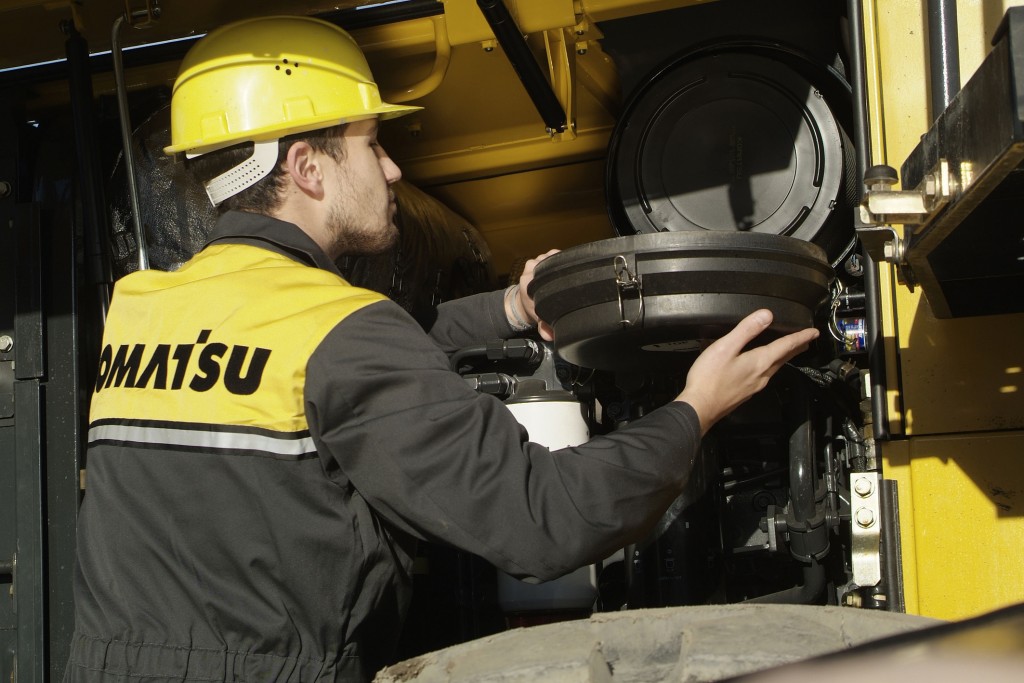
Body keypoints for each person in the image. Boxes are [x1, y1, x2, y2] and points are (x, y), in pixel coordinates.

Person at [64, 15, 820, 683]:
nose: (393, 169)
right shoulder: (338, 331)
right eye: (372, 144)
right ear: (307, 169)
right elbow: (543, 516)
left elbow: (337, 375)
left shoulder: (142, 310)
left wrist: (509, 309)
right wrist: (695, 410)